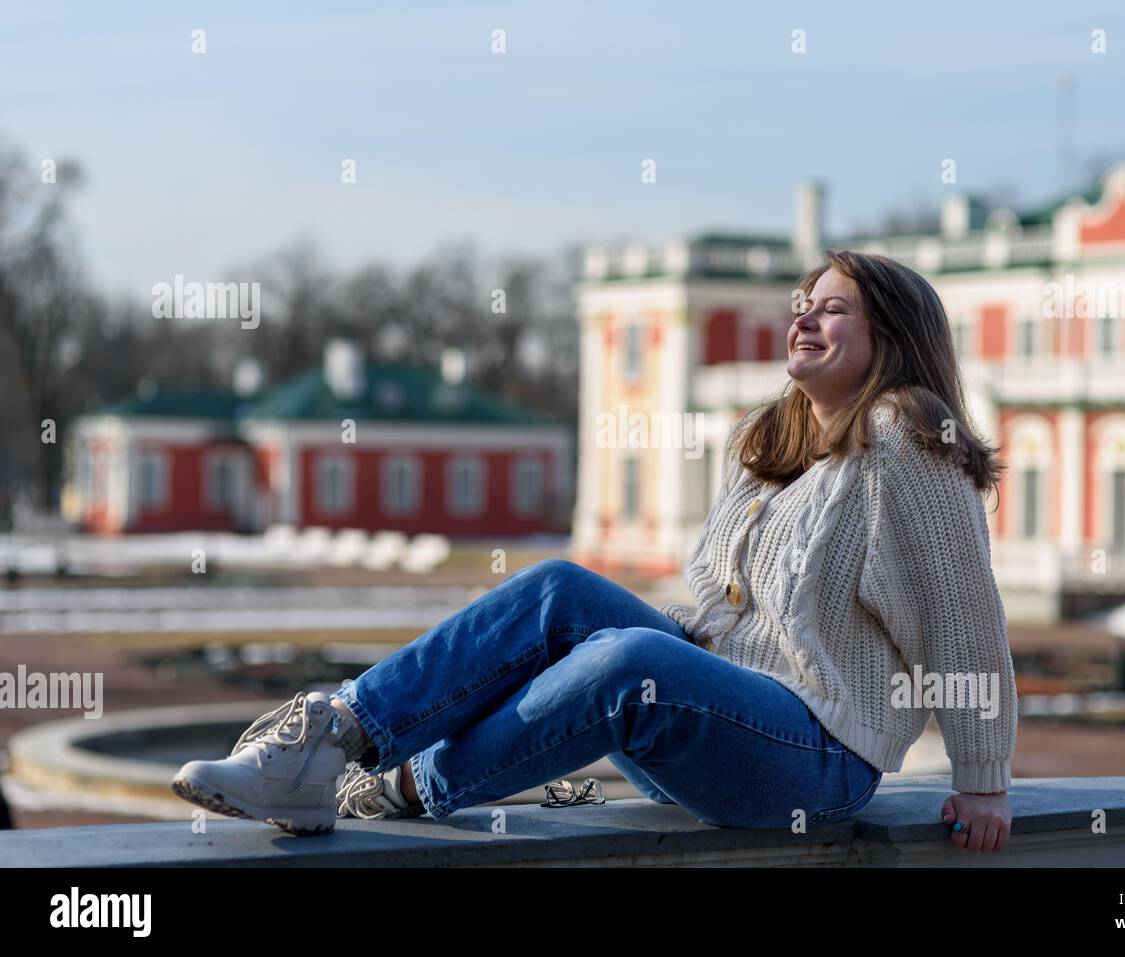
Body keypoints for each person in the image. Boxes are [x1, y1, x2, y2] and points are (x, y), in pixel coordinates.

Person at [172, 249, 1018, 853]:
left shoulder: (905, 435)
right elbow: (733, 621)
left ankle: (404, 785)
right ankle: (333, 735)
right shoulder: (782, 455)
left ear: (895, 335)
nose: (804, 315)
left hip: (818, 763)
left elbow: (963, 618)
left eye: (834, 307)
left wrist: (982, 777)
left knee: (629, 657)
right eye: (803, 299)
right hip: (732, 725)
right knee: (558, 591)